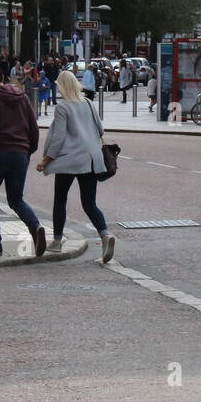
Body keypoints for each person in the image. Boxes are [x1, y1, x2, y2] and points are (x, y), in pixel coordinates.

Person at [36, 71, 116, 262]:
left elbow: (59, 137)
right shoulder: (88, 103)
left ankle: (56, 241)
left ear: (62, 86)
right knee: (89, 203)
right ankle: (105, 235)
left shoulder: (63, 107)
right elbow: (101, 129)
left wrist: (45, 160)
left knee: (60, 199)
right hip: (90, 159)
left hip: (69, 160)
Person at [0, 64, 46, 256]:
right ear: (4, 77)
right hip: (20, 154)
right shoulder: (22, 96)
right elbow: (34, 128)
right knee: (16, 199)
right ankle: (35, 228)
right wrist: (28, 150)